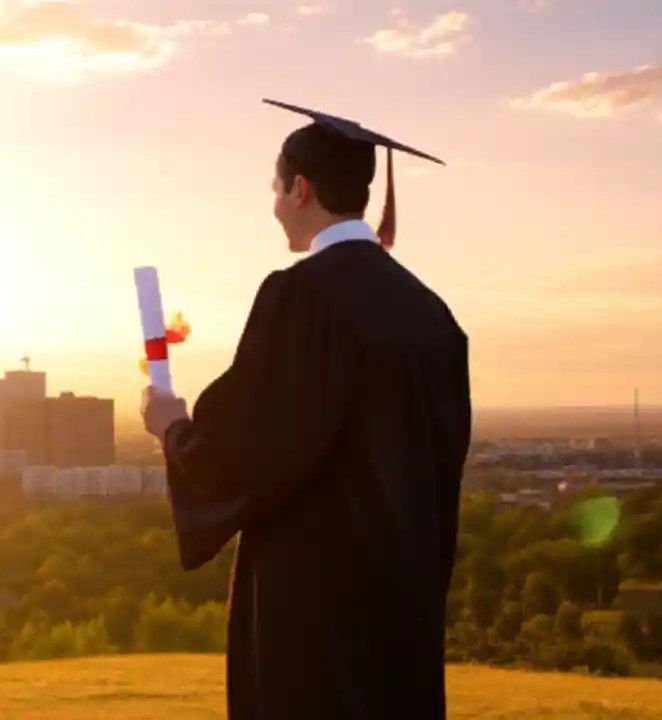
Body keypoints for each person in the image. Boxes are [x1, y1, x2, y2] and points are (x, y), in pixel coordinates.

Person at [140, 100, 472, 719]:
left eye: (276, 188)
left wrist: (173, 428)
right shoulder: (432, 314)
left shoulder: (301, 296)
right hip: (404, 601)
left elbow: (247, 448)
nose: (274, 206)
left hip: (314, 604)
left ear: (300, 189)